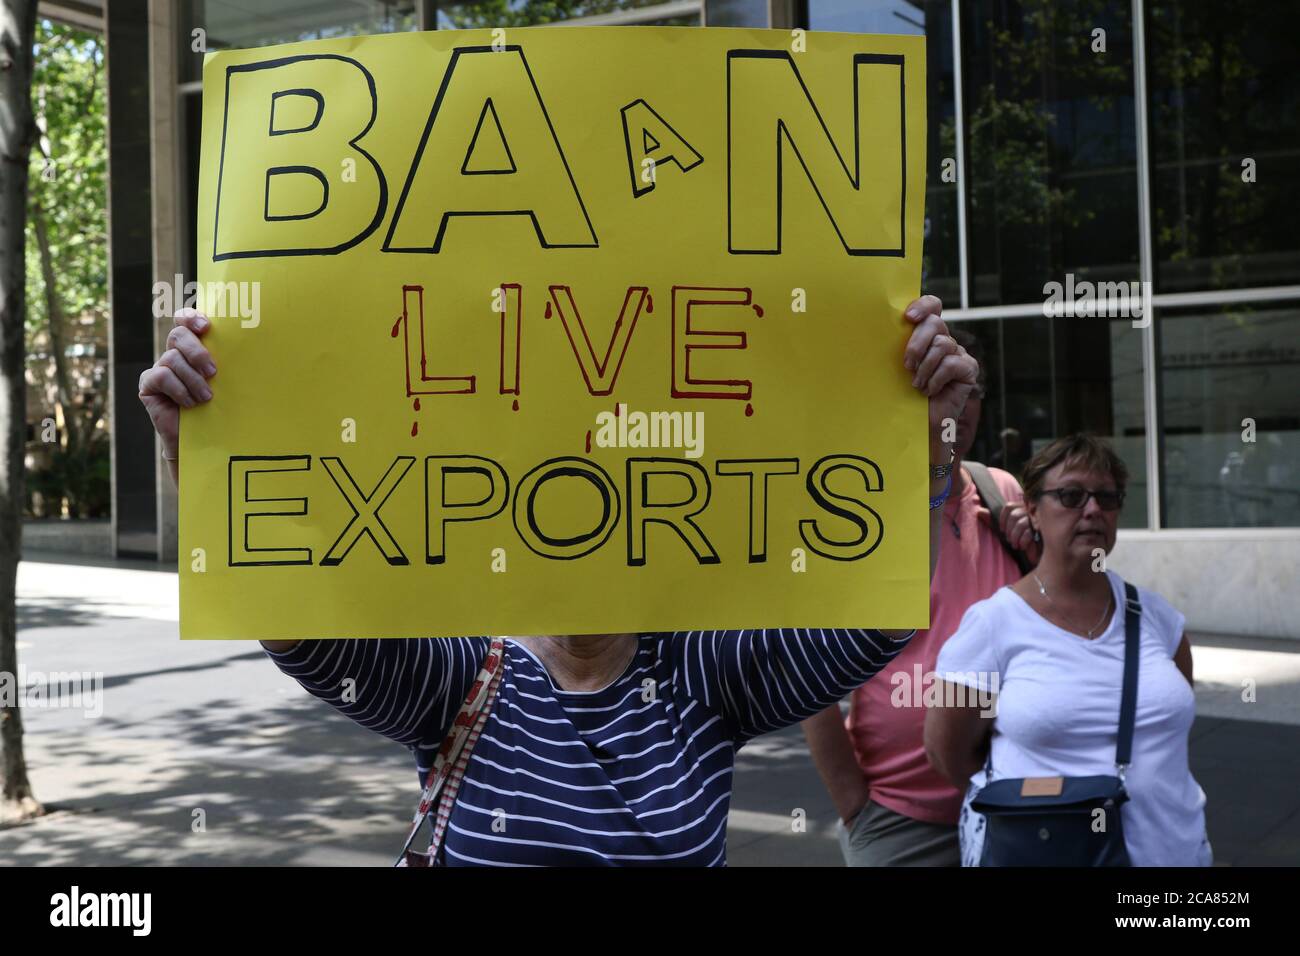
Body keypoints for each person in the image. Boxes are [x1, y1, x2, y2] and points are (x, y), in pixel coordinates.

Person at [138, 294, 979, 866]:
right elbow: (298, 626)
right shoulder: (467, 678)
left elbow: (877, 616)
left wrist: (929, 446)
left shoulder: (700, 674)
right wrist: (206, 458)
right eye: (563, 512)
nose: (586, 541)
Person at [800, 327, 1038, 866]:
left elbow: (1049, 621)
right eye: (943, 384)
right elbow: (813, 677)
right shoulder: (856, 510)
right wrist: (854, 806)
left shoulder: (1001, 490)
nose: (961, 403)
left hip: (1011, 799)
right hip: (897, 819)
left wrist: (1046, 556)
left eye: (971, 388)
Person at [925, 434, 1212, 866]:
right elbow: (947, 753)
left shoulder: (1159, 618)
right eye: (1072, 495)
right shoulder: (990, 625)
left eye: (1106, 497)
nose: (1093, 509)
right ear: (1034, 511)